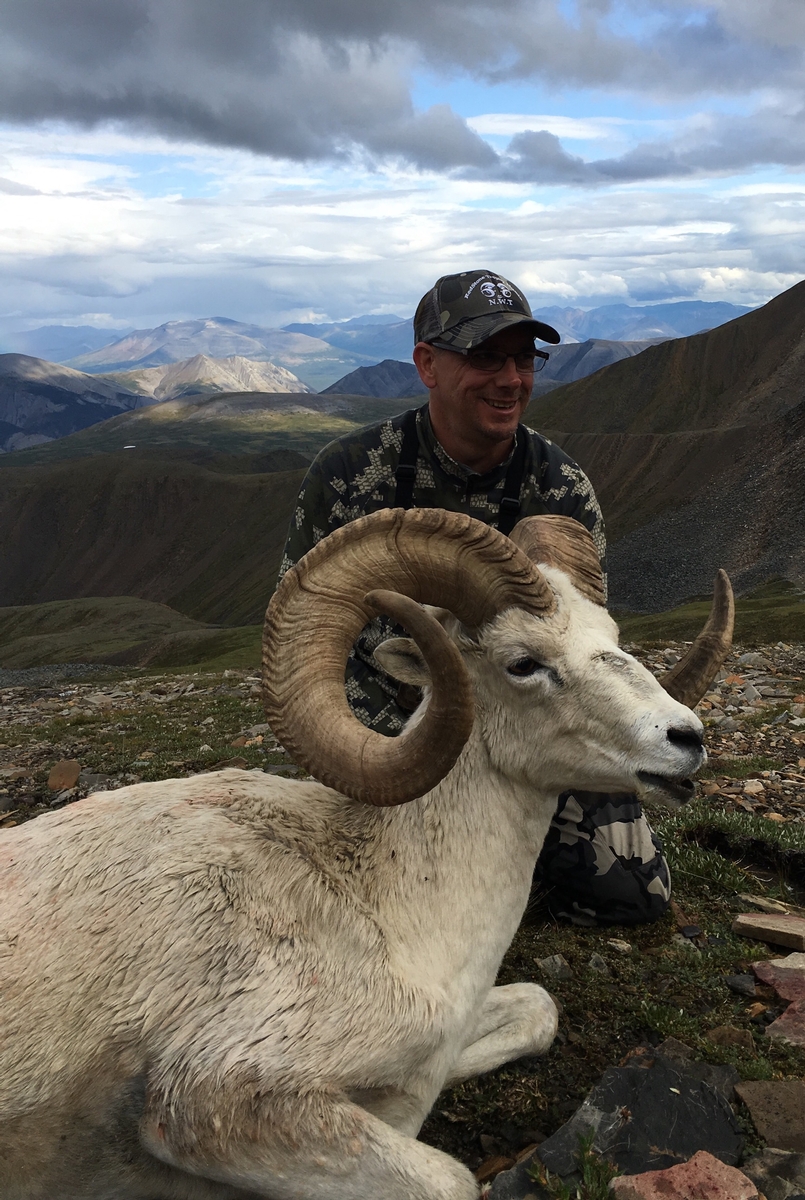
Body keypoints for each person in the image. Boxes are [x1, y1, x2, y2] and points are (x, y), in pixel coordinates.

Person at [279, 269, 670, 927]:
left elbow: (580, 640)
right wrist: (364, 745)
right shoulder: (348, 477)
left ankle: (502, 856)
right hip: (392, 714)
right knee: (333, 895)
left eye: (523, 358)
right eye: (484, 357)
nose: (509, 379)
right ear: (427, 364)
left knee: (630, 895)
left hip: (525, 714)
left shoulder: (560, 489)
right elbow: (303, 635)